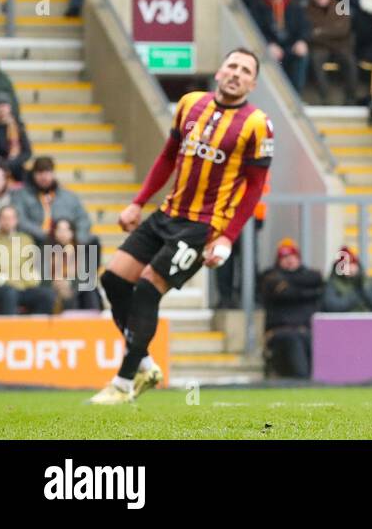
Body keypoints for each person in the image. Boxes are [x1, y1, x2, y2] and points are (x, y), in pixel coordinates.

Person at [91, 50, 273, 404]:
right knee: (112, 279)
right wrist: (137, 202)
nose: (236, 73)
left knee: (147, 288)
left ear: (253, 83)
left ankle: (124, 383)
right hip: (167, 214)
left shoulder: (257, 125)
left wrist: (227, 238)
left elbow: (254, 187)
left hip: (202, 226)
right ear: (219, 71)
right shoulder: (190, 103)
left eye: (245, 70)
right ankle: (143, 361)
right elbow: (167, 156)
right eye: (232, 66)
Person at [259, 239, 324, 379]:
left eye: (292, 256)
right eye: (284, 257)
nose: (289, 261)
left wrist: (291, 285)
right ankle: (303, 381)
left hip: (306, 330)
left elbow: (316, 279)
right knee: (294, 339)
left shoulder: (309, 275)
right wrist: (307, 291)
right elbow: (284, 293)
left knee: (313, 338)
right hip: (280, 331)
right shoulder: (270, 277)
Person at [12, 155, 90, 242]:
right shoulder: (22, 195)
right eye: (40, 173)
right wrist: (45, 235)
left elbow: (83, 220)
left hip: (66, 241)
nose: (44, 177)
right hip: (36, 241)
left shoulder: (69, 196)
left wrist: (75, 238)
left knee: (93, 241)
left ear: (53, 173)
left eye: (47, 172)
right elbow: (20, 220)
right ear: (33, 174)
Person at [0, 204, 55, 315]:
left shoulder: (26, 239)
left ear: (16, 220)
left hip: (23, 287)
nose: (8, 221)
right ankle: (10, 331)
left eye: (11, 218)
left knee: (47, 295)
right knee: (9, 293)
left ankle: (36, 330)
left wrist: (33, 279)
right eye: (4, 218)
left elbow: (32, 265)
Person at [319, 247, 372, 313]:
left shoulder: (367, 281)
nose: (349, 268)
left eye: (351, 263)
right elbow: (332, 306)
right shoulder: (333, 283)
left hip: (366, 320)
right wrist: (356, 295)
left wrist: (364, 291)